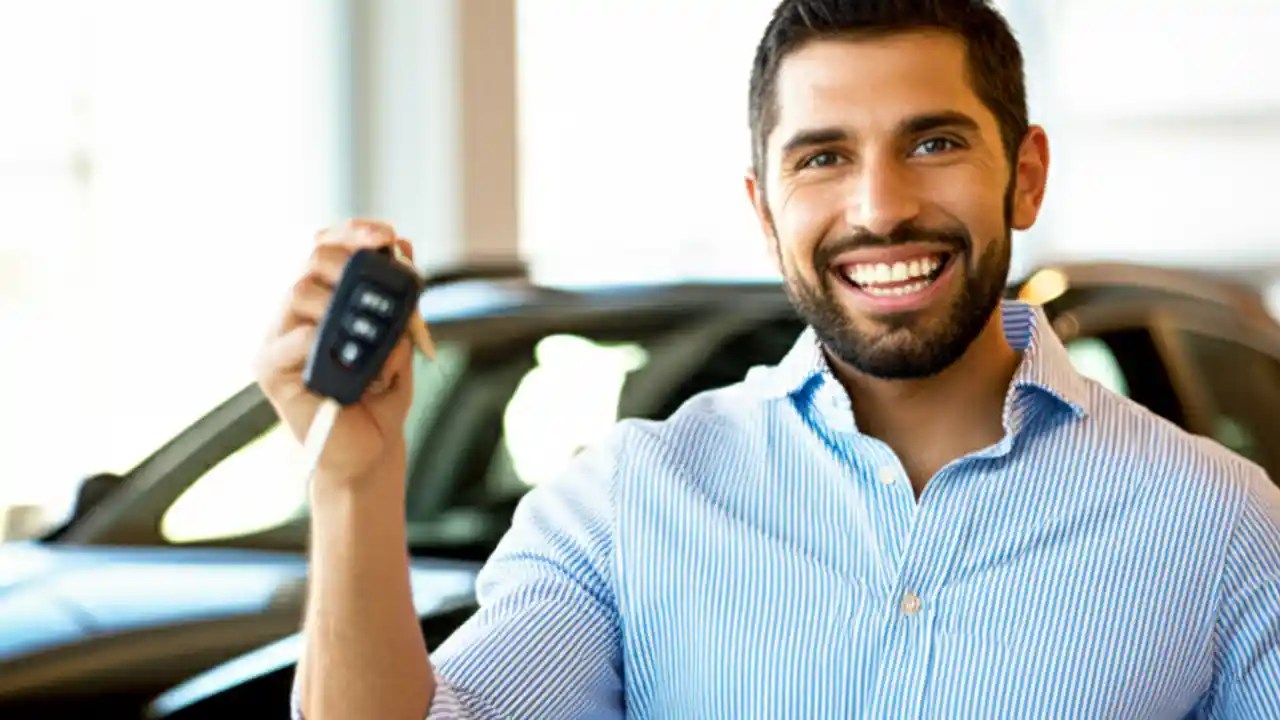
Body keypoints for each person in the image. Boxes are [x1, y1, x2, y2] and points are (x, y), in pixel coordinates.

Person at [260, 1, 1280, 717]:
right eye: (822, 156)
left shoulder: (1221, 527)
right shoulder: (629, 505)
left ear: (1024, 177)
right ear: (762, 209)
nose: (878, 208)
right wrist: (353, 483)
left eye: (932, 144)